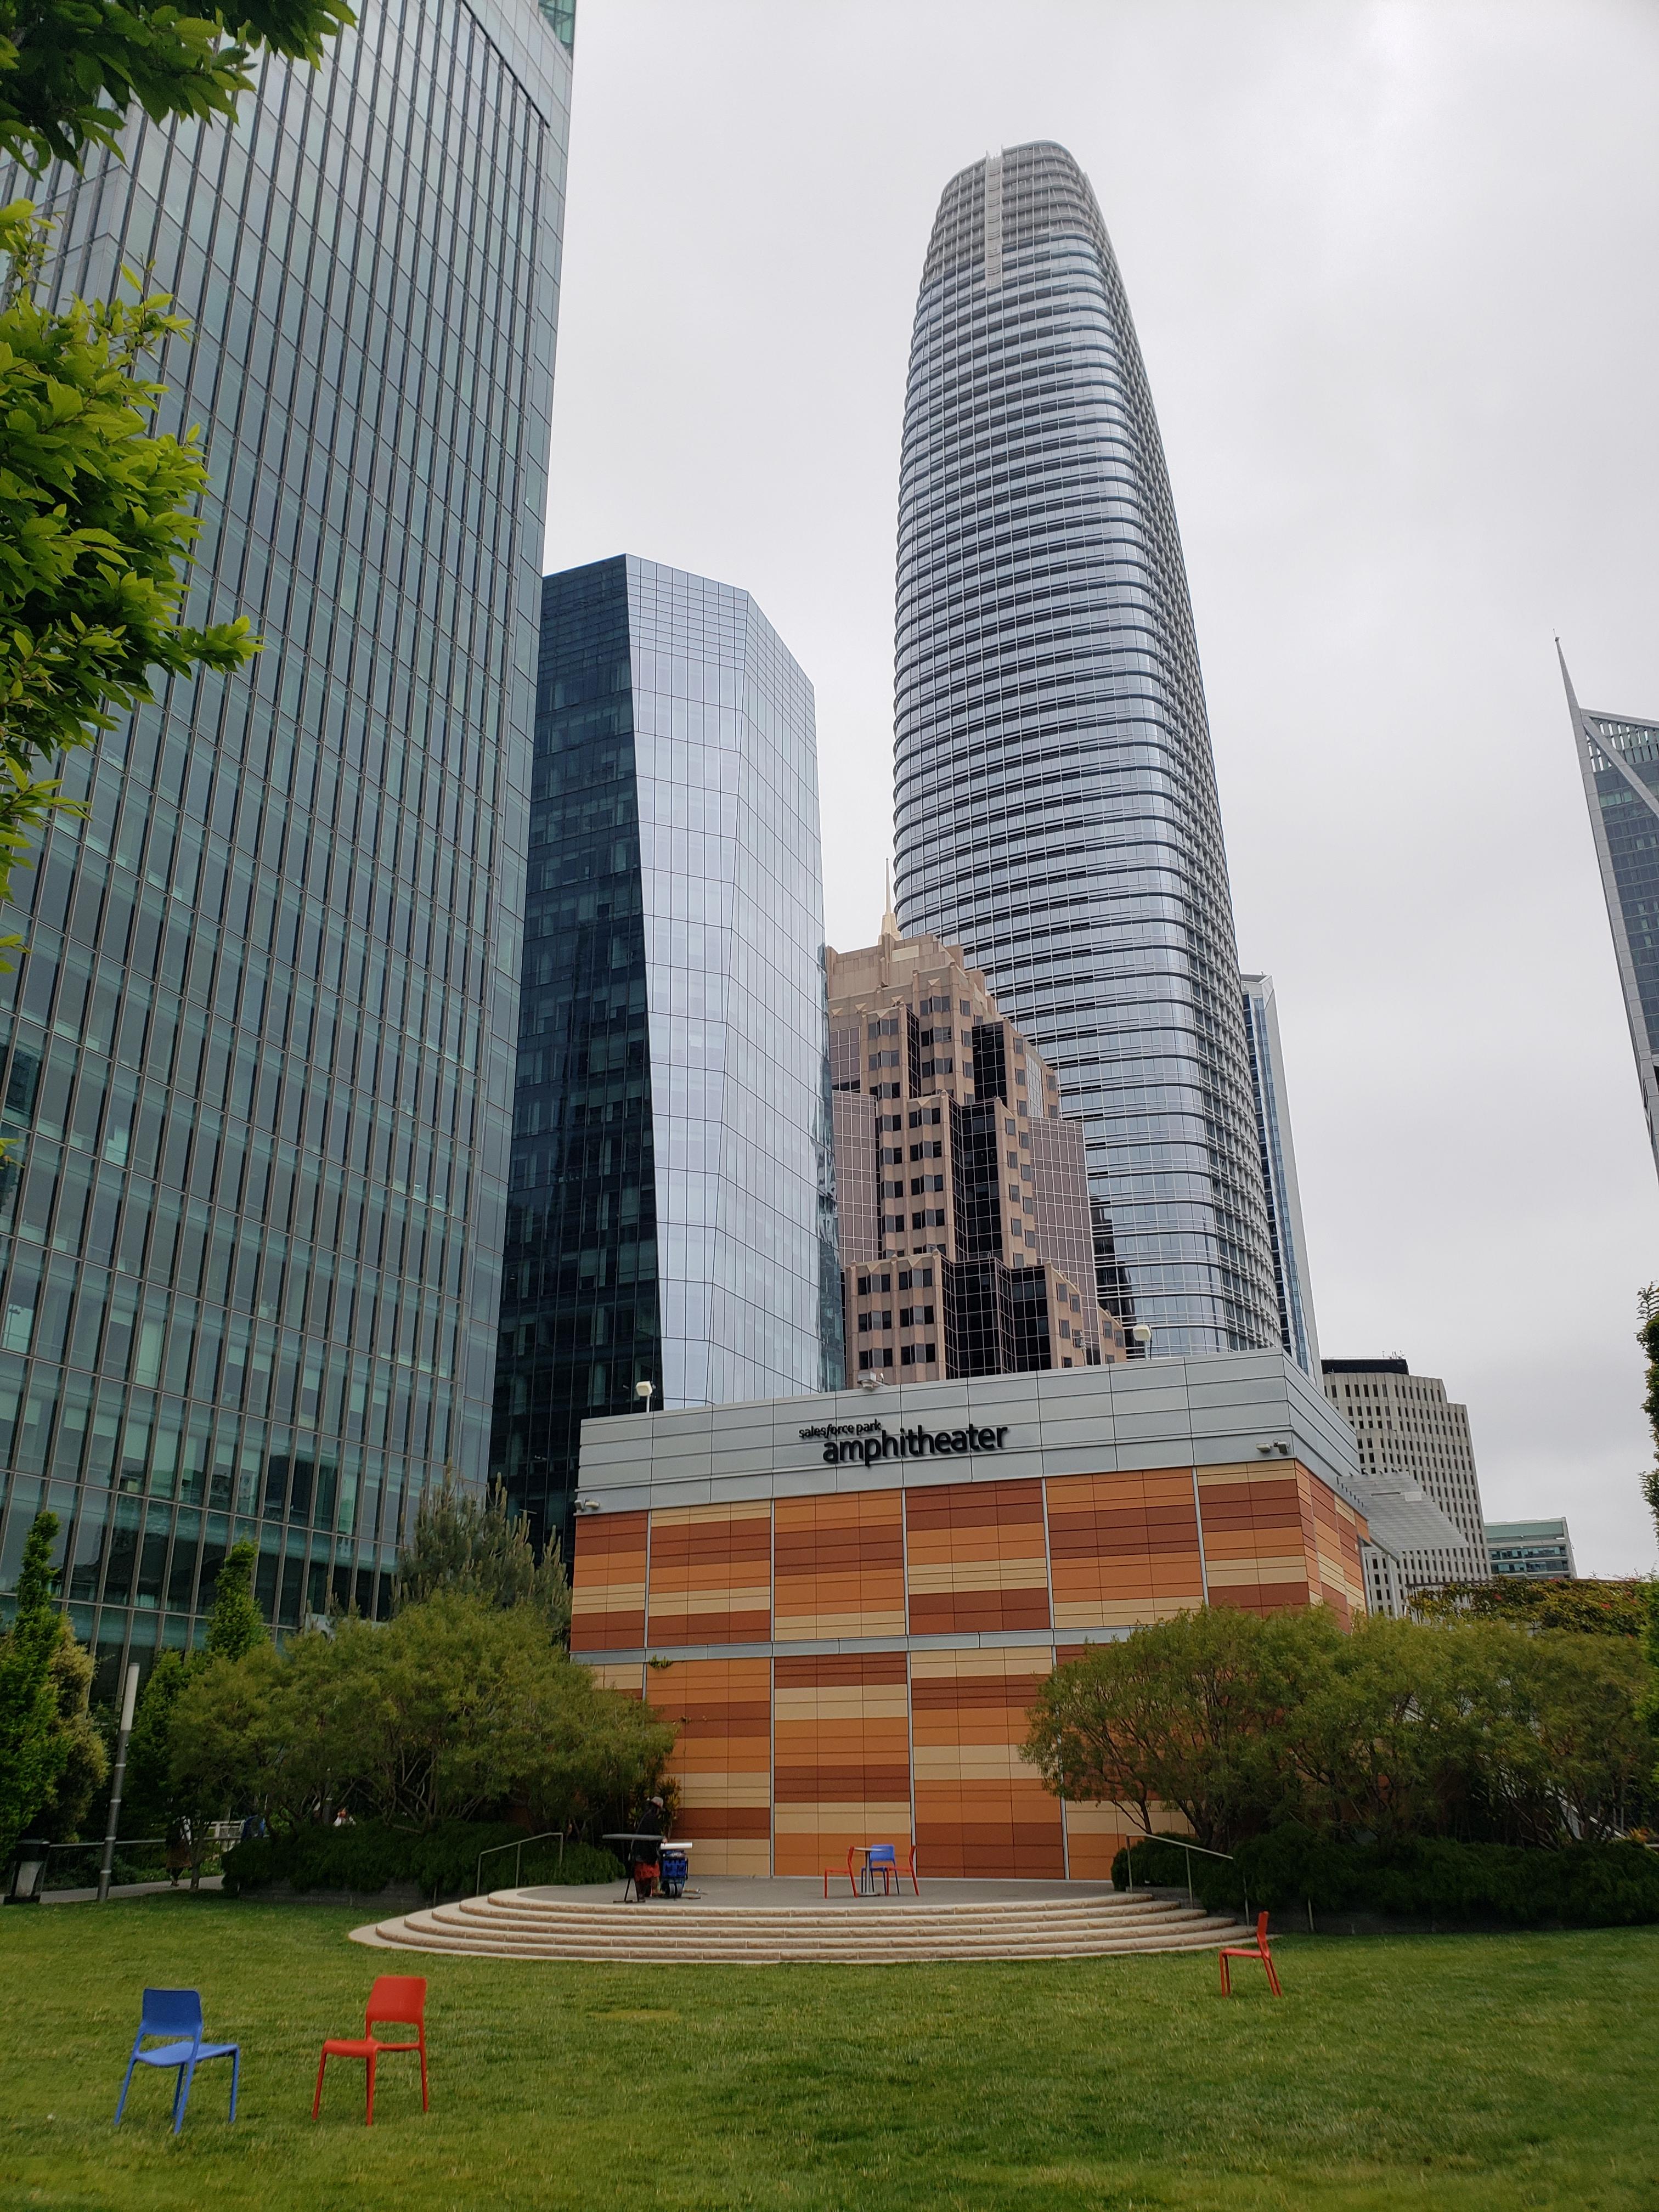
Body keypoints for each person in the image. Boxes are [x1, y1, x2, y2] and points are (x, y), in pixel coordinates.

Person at [632, 1796, 665, 1900]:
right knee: (651, 1871)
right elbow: (656, 1835)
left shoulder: (644, 1817)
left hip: (638, 1850)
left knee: (639, 1873)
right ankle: (653, 1890)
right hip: (646, 1852)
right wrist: (662, 1839)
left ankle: (642, 1894)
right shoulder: (652, 1819)